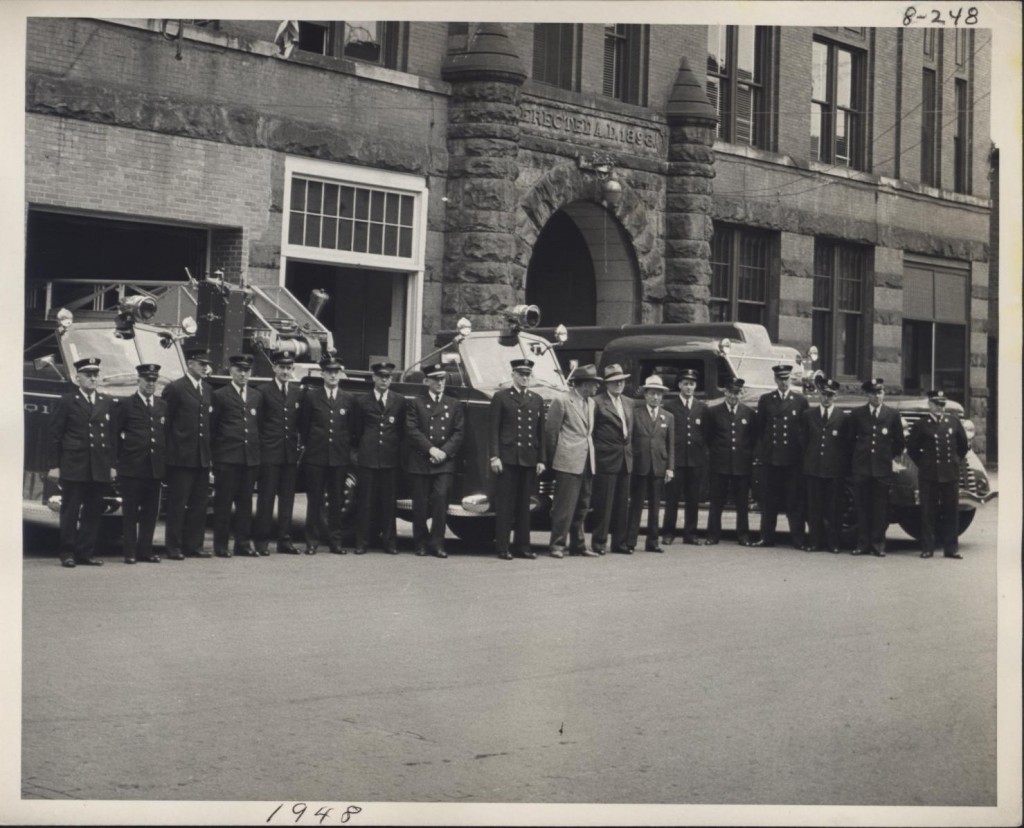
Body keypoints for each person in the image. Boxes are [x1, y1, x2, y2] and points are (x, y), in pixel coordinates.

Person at [47, 357, 113, 567]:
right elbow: (55, 435)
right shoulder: (67, 401)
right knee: (70, 510)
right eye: (88, 375)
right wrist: (55, 465)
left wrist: (112, 465)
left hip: (98, 465)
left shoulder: (105, 401)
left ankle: (85, 552)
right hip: (74, 464)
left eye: (95, 374)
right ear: (78, 378)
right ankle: (67, 552)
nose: (93, 378)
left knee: (93, 510)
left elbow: (111, 437)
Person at [298, 355, 357, 555]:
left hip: (339, 458)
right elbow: (304, 427)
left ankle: (335, 542)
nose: (333, 375)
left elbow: (351, 429)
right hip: (316, 457)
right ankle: (312, 541)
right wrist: (311, 447)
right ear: (322, 374)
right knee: (314, 501)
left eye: (336, 372)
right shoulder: (311, 397)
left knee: (336, 501)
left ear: (340, 374)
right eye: (329, 372)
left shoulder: (348, 399)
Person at [404, 363, 465, 558]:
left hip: (444, 462)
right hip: (421, 460)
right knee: (420, 505)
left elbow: (459, 432)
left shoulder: (453, 404)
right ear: (426, 381)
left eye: (442, 379)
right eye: (436, 379)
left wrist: (444, 452)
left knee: (440, 502)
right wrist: (430, 449)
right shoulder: (416, 403)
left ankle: (437, 543)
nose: (440, 383)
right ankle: (420, 543)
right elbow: (412, 430)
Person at [488, 358, 546, 560]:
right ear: (513, 375)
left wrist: (541, 459)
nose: (524, 378)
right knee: (505, 505)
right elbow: (493, 430)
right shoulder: (501, 397)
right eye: (521, 374)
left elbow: (541, 433)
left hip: (529, 459)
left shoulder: (536, 399)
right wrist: (494, 456)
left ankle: (523, 546)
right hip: (508, 458)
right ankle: (502, 546)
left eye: (527, 374)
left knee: (525, 505)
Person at [545, 363, 603, 558]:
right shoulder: (561, 401)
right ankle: (557, 545)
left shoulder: (591, 403)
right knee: (564, 506)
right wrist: (556, 459)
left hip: (587, 460)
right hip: (567, 460)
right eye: (594, 383)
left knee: (583, 505)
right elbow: (551, 433)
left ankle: (578, 545)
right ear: (582, 384)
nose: (597, 387)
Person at [111, 363, 167, 564]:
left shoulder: (162, 405)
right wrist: (119, 460)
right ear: (139, 380)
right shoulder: (126, 405)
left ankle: (145, 550)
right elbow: (114, 434)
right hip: (132, 467)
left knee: (151, 513)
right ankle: (129, 552)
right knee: (130, 512)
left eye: (154, 380)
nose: (151, 384)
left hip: (154, 468)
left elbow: (164, 435)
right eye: (147, 380)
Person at [162, 347, 214, 559]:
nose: (205, 367)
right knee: (177, 504)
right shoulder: (175, 389)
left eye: (206, 364)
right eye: (201, 364)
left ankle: (194, 545)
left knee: (198, 504)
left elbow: (211, 424)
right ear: (190, 364)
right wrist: (168, 455)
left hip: (201, 457)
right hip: (181, 457)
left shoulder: (207, 390)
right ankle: (173, 546)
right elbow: (166, 424)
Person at [906, 389, 969, 559]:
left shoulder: (953, 422)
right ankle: (928, 548)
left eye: (943, 404)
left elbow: (963, 446)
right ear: (930, 405)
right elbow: (912, 449)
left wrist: (954, 461)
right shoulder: (921, 424)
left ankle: (952, 549)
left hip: (950, 473)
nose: (940, 408)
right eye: (937, 404)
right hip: (929, 474)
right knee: (928, 512)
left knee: (951, 511)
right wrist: (925, 464)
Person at [211, 354, 262, 557]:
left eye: (246, 370)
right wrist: (216, 458)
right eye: (239, 370)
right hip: (227, 458)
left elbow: (258, 426)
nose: (243, 374)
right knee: (223, 504)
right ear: (231, 372)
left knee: (245, 503)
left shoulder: (256, 396)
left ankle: (242, 545)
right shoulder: (220, 395)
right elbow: (213, 427)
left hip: (249, 458)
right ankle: (221, 546)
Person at [847, 378, 905, 557]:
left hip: (881, 469)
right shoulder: (857, 414)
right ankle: (862, 544)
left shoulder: (892, 414)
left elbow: (899, 442)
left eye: (880, 392)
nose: (877, 396)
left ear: (884, 393)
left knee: (880, 509)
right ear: (867, 395)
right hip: (862, 468)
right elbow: (849, 441)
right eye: (873, 393)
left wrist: (887, 457)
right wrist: (857, 460)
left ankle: (878, 544)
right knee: (861, 508)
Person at [253, 351, 304, 555]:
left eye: (289, 368)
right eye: (281, 367)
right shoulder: (263, 391)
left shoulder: (297, 391)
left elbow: (300, 423)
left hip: (289, 454)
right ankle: (262, 542)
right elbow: (258, 423)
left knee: (287, 500)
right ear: (274, 368)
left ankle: (285, 540)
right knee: (266, 499)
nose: (285, 371)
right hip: (270, 453)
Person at [353, 361, 406, 555]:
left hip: (390, 459)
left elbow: (400, 431)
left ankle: (390, 542)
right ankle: (362, 542)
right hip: (368, 458)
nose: (384, 380)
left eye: (388, 377)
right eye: (381, 376)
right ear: (374, 378)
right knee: (365, 502)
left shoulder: (399, 401)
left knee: (389, 503)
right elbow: (357, 431)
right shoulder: (362, 401)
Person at [754, 364, 808, 548]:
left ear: (790, 379)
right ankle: (767, 537)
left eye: (786, 379)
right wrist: (764, 454)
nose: (783, 383)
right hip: (772, 458)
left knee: (795, 501)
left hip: (793, 460)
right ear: (775, 380)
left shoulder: (800, 401)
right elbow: (760, 430)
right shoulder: (766, 400)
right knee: (769, 501)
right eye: (780, 379)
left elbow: (804, 430)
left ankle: (798, 539)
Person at [704, 377, 757, 546]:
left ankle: (743, 535)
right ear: (725, 392)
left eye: (737, 392)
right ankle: (713, 535)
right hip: (720, 464)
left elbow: (752, 438)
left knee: (742, 503)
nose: (734, 396)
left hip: (741, 465)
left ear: (741, 393)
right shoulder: (713, 412)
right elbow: (708, 437)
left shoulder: (749, 413)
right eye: (731, 392)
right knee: (716, 501)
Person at [799, 378, 849, 553]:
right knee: (814, 508)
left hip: (834, 470)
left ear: (835, 397)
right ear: (819, 394)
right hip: (813, 468)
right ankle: (814, 542)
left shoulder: (842, 417)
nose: (827, 399)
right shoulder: (808, 415)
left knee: (833, 509)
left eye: (830, 395)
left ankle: (833, 543)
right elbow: (803, 441)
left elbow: (845, 446)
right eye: (824, 394)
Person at [626, 374, 675, 553]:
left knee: (655, 506)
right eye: (652, 393)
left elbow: (670, 445)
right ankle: (630, 541)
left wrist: (670, 467)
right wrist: (630, 463)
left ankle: (653, 542)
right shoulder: (636, 414)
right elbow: (630, 440)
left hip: (659, 466)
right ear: (645, 395)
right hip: (640, 465)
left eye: (659, 394)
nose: (655, 397)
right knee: (636, 505)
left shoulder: (668, 417)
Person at [661, 368, 708, 546]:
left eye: (692, 384)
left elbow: (705, 434)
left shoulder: (701, 407)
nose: (689, 387)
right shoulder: (670, 406)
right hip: (677, 460)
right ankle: (668, 532)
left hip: (695, 461)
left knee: (693, 499)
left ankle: (690, 533)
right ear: (679, 385)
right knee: (672, 498)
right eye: (686, 383)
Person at [590, 363, 634, 555]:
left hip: (625, 459)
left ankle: (620, 543)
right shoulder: (597, 403)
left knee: (622, 504)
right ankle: (599, 543)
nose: (619, 384)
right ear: (606, 384)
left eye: (621, 381)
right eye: (614, 382)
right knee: (604, 504)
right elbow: (590, 432)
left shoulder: (628, 402)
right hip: (606, 459)